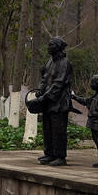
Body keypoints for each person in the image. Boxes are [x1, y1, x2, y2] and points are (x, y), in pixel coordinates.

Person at [32, 37, 74, 167]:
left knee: (58, 130)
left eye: (51, 45)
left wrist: (44, 96)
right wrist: (40, 90)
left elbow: (58, 84)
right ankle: (49, 153)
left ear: (57, 47)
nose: (48, 47)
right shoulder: (49, 61)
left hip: (59, 102)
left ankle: (60, 156)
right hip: (48, 102)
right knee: (48, 129)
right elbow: (45, 78)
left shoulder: (65, 63)